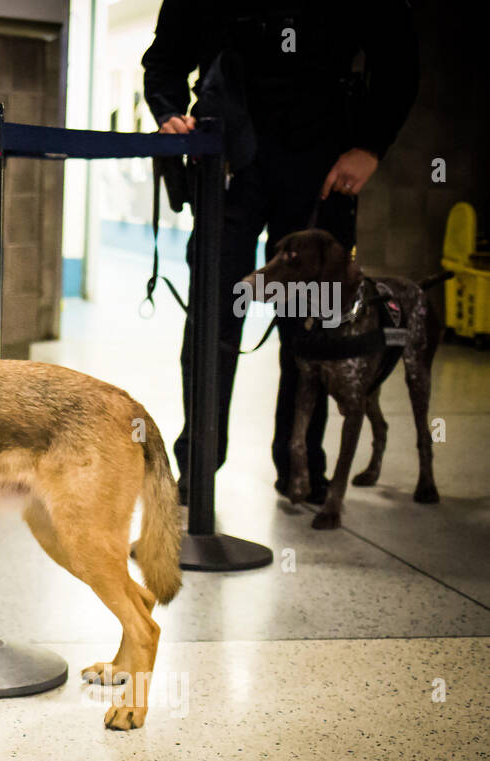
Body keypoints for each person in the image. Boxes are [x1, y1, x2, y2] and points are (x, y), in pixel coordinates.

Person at [143, 0, 418, 503]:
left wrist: (371, 146)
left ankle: (302, 468)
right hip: (225, 157)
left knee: (311, 325)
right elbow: (163, 60)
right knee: (213, 319)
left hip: (321, 163)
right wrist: (168, 114)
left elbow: (399, 59)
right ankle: (198, 466)